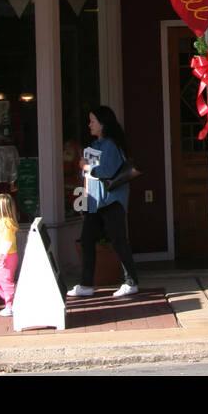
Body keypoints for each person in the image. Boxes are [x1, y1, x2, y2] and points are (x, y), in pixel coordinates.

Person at [68, 105, 139, 299]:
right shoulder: (95, 145)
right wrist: (83, 203)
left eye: (93, 121)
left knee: (117, 240)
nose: (89, 124)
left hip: (111, 201)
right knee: (87, 240)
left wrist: (86, 166)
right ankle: (86, 284)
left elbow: (105, 171)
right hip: (94, 203)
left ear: (103, 123)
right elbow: (85, 179)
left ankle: (130, 281)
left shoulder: (110, 145)